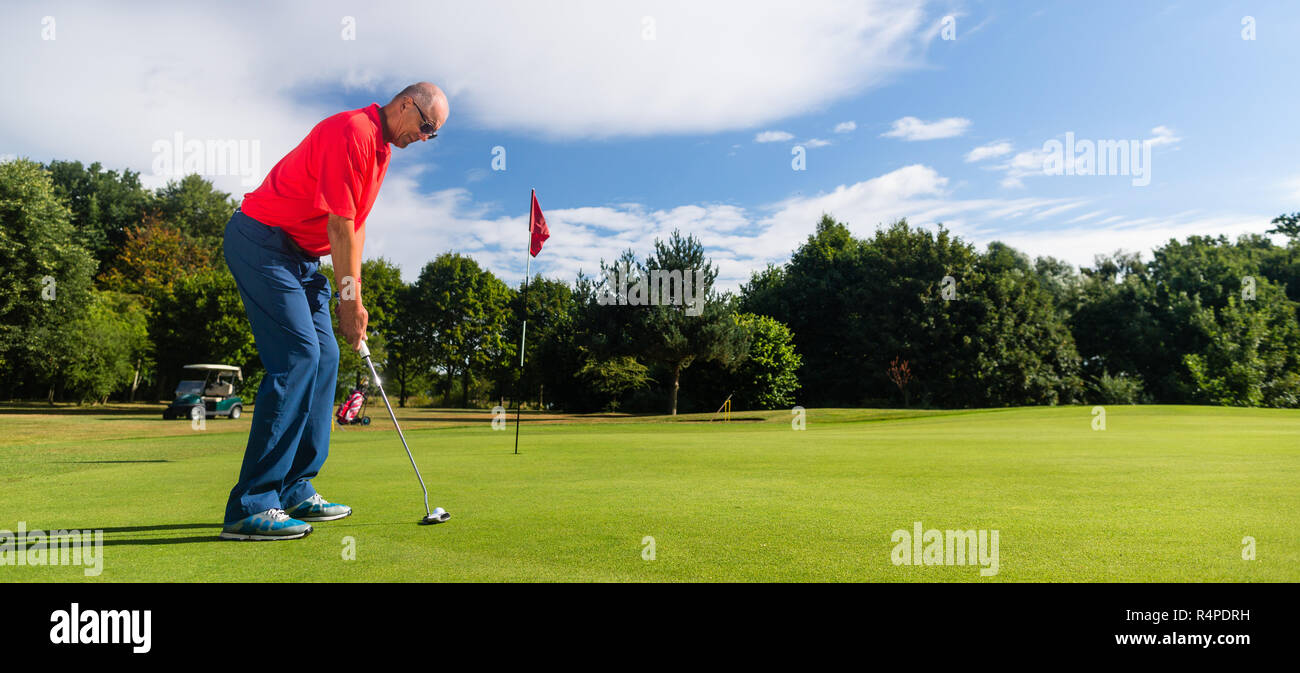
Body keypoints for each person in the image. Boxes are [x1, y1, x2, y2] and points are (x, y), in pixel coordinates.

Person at [219, 83, 449, 540]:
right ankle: (251, 504)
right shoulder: (353, 130)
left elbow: (357, 229)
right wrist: (348, 301)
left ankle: (294, 488)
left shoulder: (380, 152)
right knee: (299, 356)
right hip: (261, 241)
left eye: (432, 135)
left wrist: (354, 297)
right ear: (406, 104)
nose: (424, 139)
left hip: (300, 259)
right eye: (425, 126)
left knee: (326, 357)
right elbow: (339, 225)